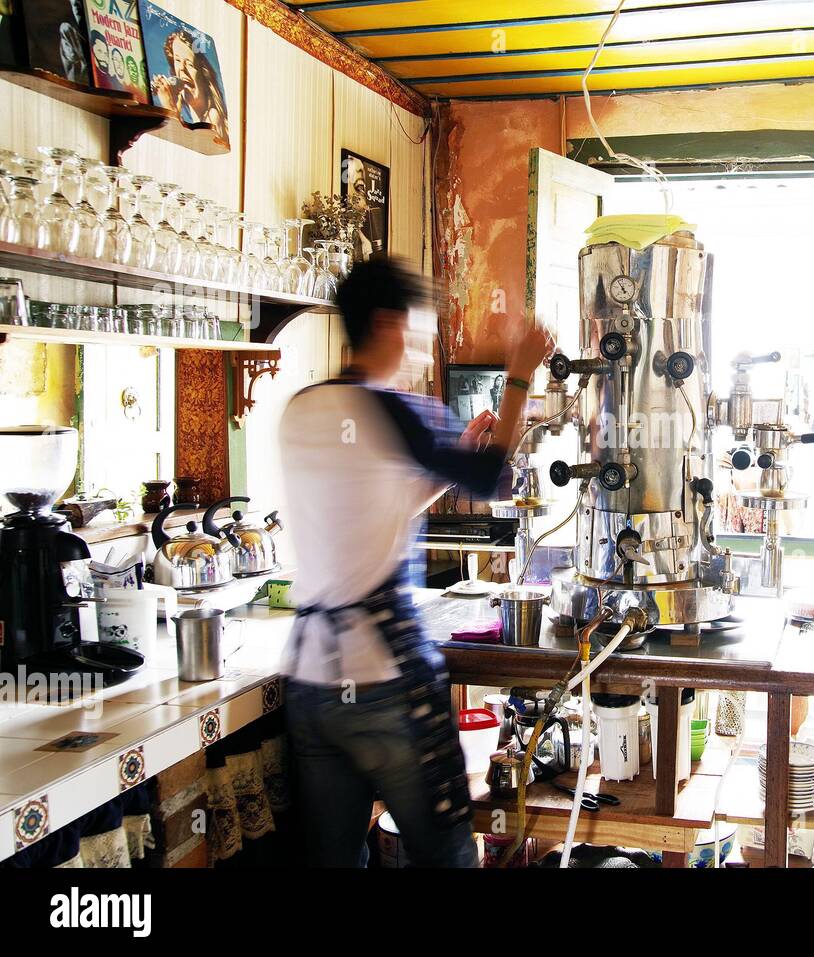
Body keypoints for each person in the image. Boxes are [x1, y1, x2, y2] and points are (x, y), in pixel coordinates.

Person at [278, 257, 551, 867]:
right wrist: (518, 377)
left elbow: (374, 503)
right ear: (389, 323)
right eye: (422, 325)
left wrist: (446, 452)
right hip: (382, 681)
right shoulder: (394, 412)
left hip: (313, 682)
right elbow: (493, 479)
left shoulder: (302, 410)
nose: (427, 342)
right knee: (445, 854)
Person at [151, 30, 230, 144]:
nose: (182, 69)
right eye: (177, 60)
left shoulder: (213, 116)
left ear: (203, 73)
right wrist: (175, 112)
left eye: (189, 63)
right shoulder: (191, 117)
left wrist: (170, 109)